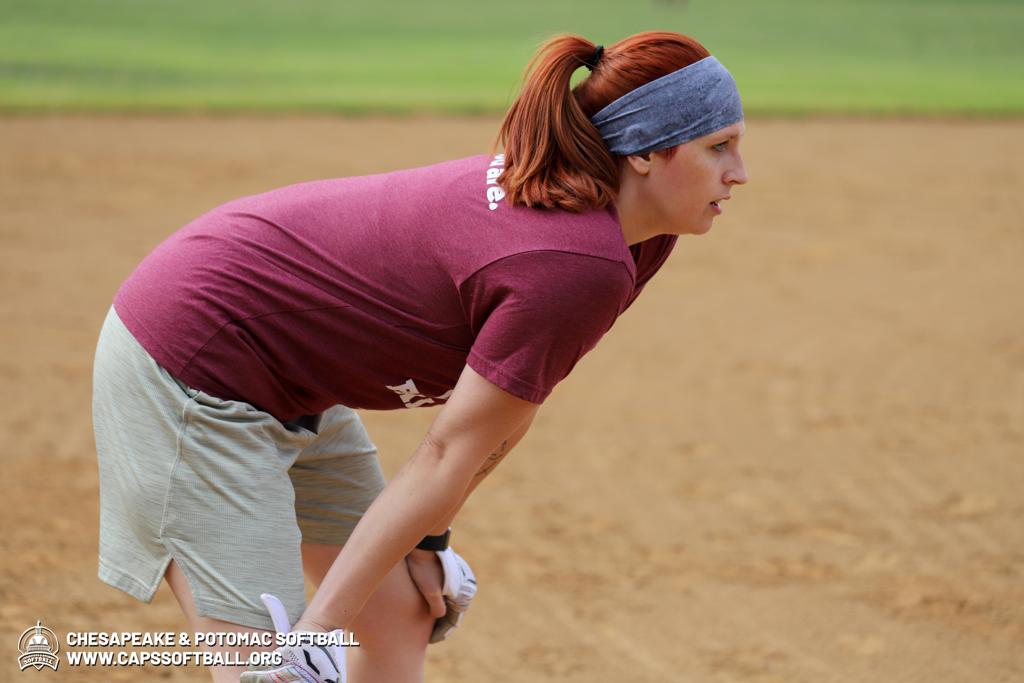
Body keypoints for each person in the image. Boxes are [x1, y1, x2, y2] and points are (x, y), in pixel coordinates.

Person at [91, 30, 748, 683]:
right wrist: (315, 633)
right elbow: (444, 451)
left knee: (401, 611)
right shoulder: (577, 262)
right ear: (644, 152)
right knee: (268, 666)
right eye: (718, 146)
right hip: (194, 359)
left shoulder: (637, 238)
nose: (739, 172)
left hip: (290, 375)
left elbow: (501, 416)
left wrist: (430, 538)